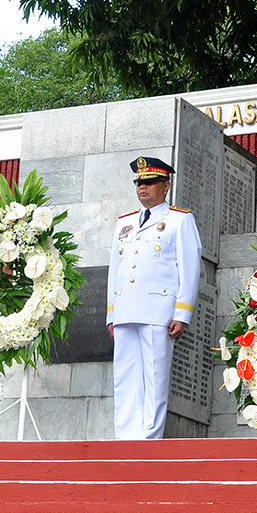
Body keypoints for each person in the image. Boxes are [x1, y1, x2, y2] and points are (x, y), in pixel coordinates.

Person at [106, 156, 202, 440]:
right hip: (125, 310)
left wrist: (182, 313)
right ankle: (125, 440)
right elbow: (116, 270)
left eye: (149, 182)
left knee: (155, 377)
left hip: (158, 311)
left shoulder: (179, 220)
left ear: (166, 186)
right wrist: (112, 314)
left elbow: (190, 268)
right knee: (125, 379)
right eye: (139, 182)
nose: (142, 188)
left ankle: (148, 440)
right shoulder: (125, 223)